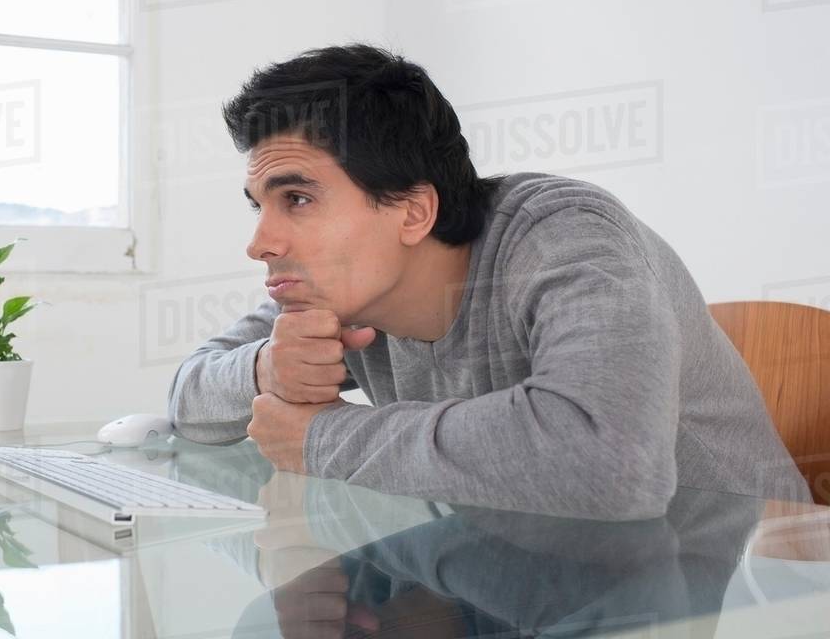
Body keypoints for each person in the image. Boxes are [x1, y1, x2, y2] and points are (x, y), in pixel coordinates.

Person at [166, 44, 809, 520]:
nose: (260, 243)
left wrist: (323, 437)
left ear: (414, 211)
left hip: (750, 584)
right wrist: (268, 371)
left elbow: (609, 464)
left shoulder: (563, 235)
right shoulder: (344, 289)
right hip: (534, 571)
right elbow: (188, 394)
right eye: (260, 205)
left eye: (298, 199)